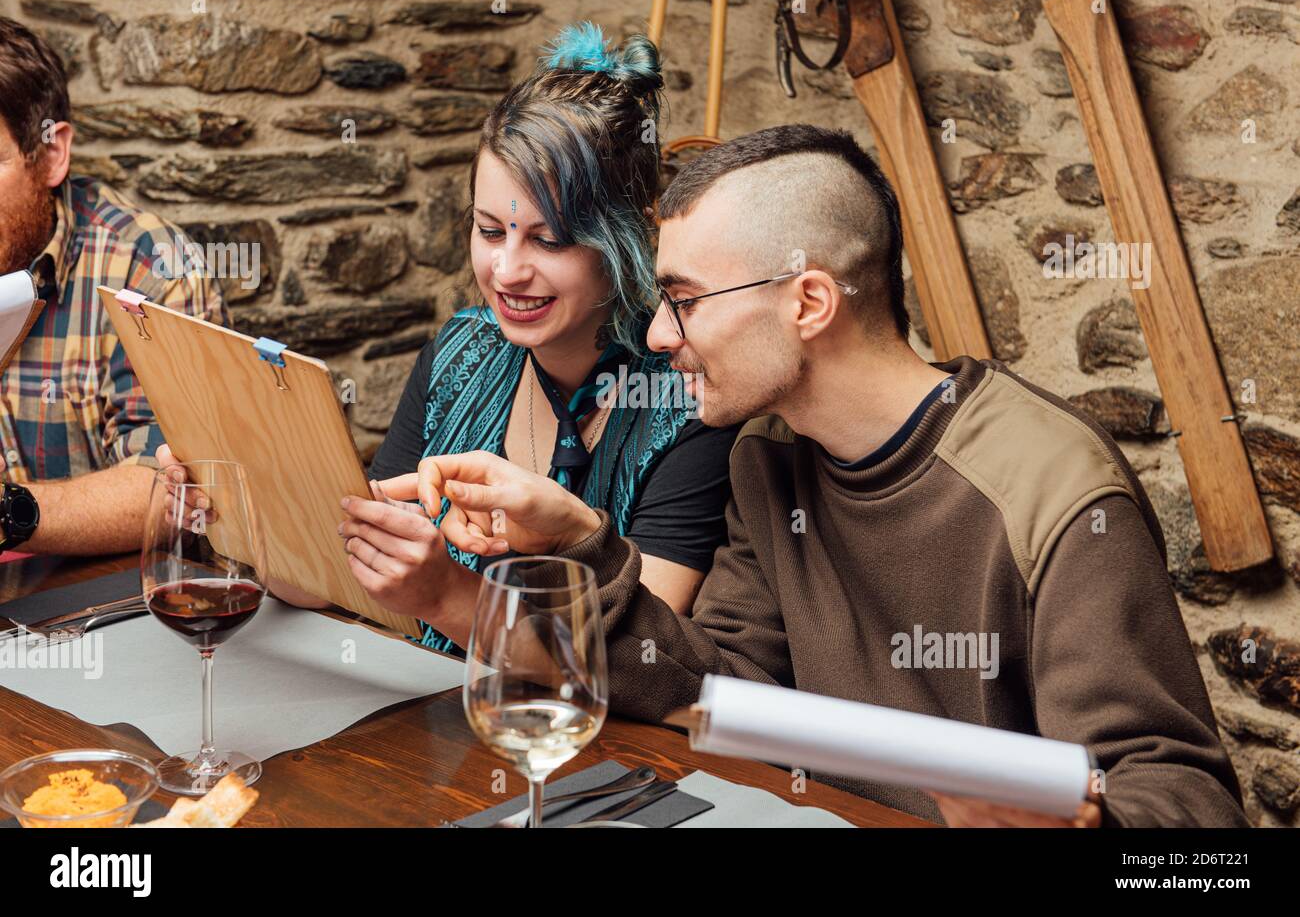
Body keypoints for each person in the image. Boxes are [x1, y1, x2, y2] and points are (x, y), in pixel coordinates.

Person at [353, 124, 1249, 828]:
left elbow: (1196, 828)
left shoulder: (1054, 489)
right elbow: (714, 692)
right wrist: (583, 545)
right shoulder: (767, 457)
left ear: (809, 302)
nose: (659, 335)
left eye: (685, 298)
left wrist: (1082, 826)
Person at [166, 22, 738, 653]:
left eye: (548, 240)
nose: (506, 270)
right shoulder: (460, 355)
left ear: (625, 239)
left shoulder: (688, 399)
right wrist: (242, 514)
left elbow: (647, 659)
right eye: (490, 231)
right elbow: (346, 583)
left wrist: (442, 592)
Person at [0, 16, 225, 557]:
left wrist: (9, 511)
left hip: (106, 608)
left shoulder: (152, 268)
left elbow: (177, 485)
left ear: (51, 153)